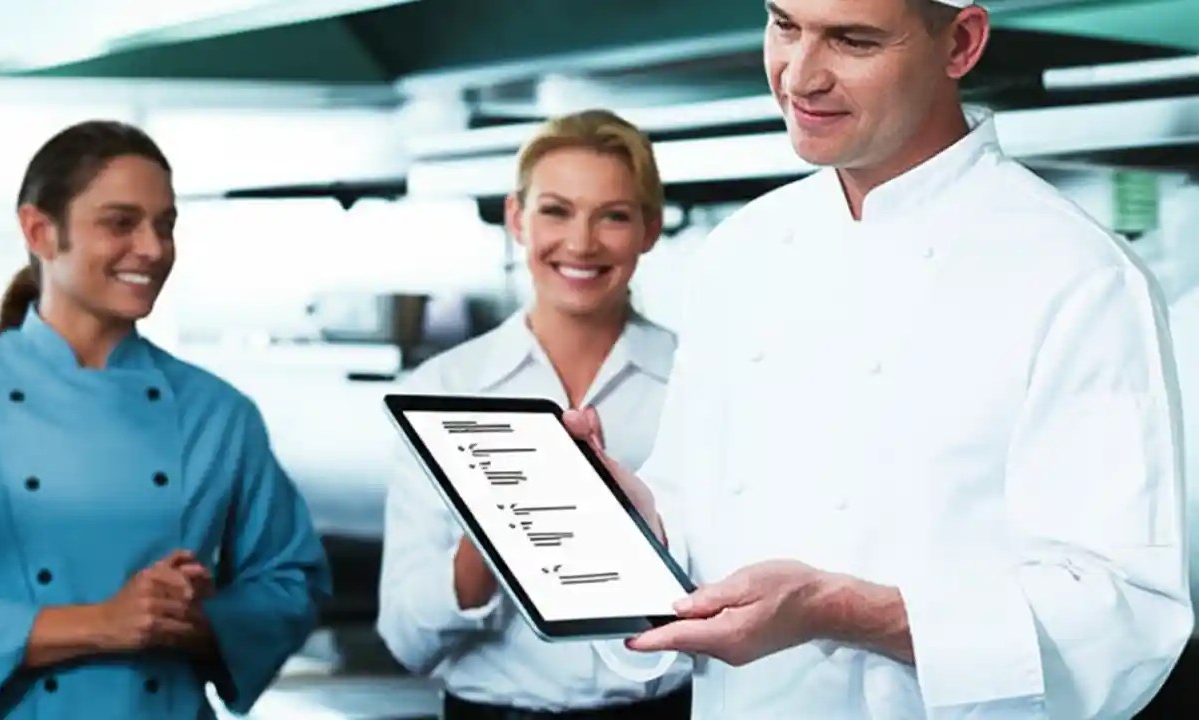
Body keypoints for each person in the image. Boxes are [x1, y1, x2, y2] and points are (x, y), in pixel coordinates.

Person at [561, 0, 1193, 717]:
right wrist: (627, 518)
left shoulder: (1078, 277)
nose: (799, 76)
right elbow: (697, 516)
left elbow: (1120, 619)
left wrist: (840, 610)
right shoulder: (740, 252)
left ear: (960, 43)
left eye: (852, 40)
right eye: (784, 25)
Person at [0, 120, 332, 719]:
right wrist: (99, 625)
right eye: (121, 223)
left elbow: (291, 582)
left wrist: (198, 625)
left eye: (165, 226)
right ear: (39, 231)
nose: (154, 248)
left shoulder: (218, 415)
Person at [376, 109, 693, 719]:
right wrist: (493, 533)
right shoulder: (447, 388)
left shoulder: (698, 381)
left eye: (614, 216)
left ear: (649, 230)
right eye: (556, 210)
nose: (581, 243)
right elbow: (406, 640)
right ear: (516, 219)